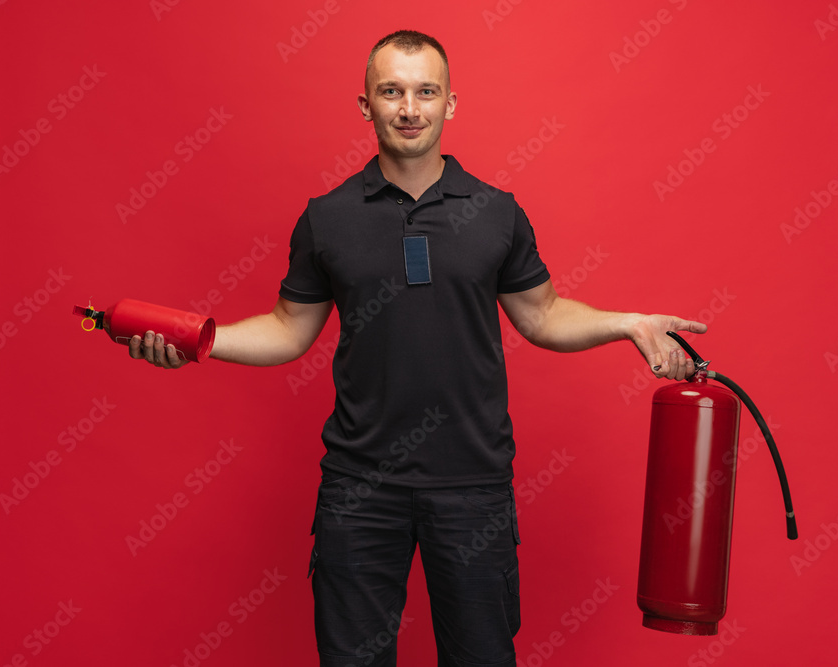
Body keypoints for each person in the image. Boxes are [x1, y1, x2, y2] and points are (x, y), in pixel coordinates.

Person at [129, 30, 704, 667]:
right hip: (358, 488)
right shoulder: (327, 217)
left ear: (450, 103)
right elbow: (289, 328)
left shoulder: (496, 212)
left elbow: (542, 316)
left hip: (473, 486)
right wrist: (202, 341)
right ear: (365, 105)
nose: (409, 108)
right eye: (392, 92)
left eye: (426, 92)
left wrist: (627, 323)